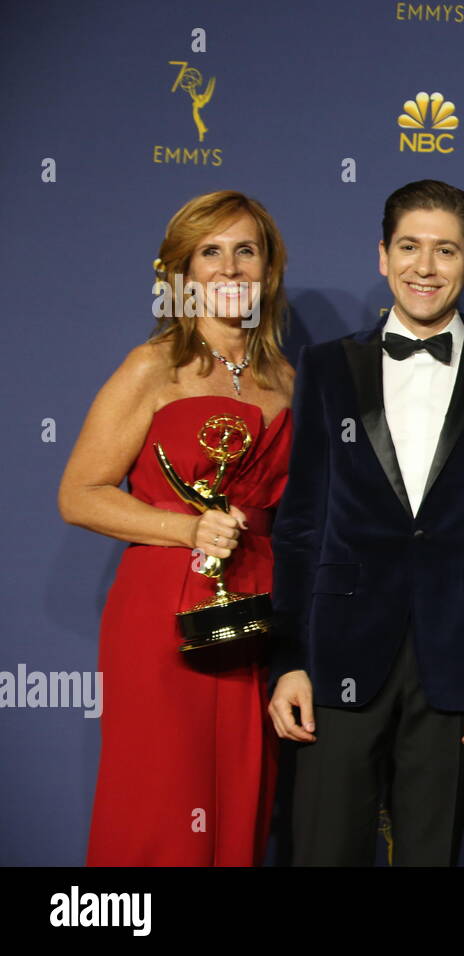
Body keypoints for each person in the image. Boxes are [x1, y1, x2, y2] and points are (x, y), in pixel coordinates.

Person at [268, 180, 464, 866]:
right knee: (324, 846)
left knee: (430, 852)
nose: (425, 267)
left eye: (446, 251)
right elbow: (299, 521)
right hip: (339, 648)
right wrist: (288, 657)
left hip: (459, 655)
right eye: (409, 247)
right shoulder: (325, 367)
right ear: (382, 255)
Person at [59, 190, 293, 865]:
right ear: (182, 276)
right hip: (163, 609)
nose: (228, 268)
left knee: (245, 791)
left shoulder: (289, 382)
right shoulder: (152, 367)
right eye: (209, 253)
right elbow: (79, 494)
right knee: (162, 800)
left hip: (256, 608)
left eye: (245, 250)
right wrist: (187, 530)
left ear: (268, 269)